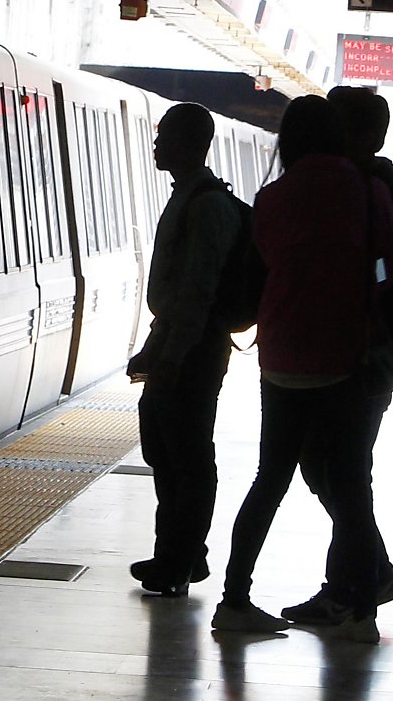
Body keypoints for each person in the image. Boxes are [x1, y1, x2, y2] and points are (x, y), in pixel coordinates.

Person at [212, 94, 393, 643]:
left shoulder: (272, 197)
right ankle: (362, 611)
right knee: (350, 488)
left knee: (270, 478)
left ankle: (235, 599)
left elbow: (266, 260)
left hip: (283, 356)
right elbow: (386, 263)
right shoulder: (367, 191)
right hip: (345, 359)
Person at [285, 86, 393, 623]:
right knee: (339, 470)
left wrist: (366, 297)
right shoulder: (376, 186)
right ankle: (358, 580)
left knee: (338, 472)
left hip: (362, 359)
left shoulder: (373, 189)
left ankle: (360, 585)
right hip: (362, 353)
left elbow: (387, 268)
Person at [125, 103, 248, 596]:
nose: (157, 145)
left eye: (166, 136)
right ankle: (178, 553)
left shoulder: (206, 205)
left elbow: (196, 292)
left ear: (191, 143)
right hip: (178, 343)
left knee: (188, 455)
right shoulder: (189, 197)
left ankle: (178, 559)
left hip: (195, 350)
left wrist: (171, 357)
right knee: (164, 445)